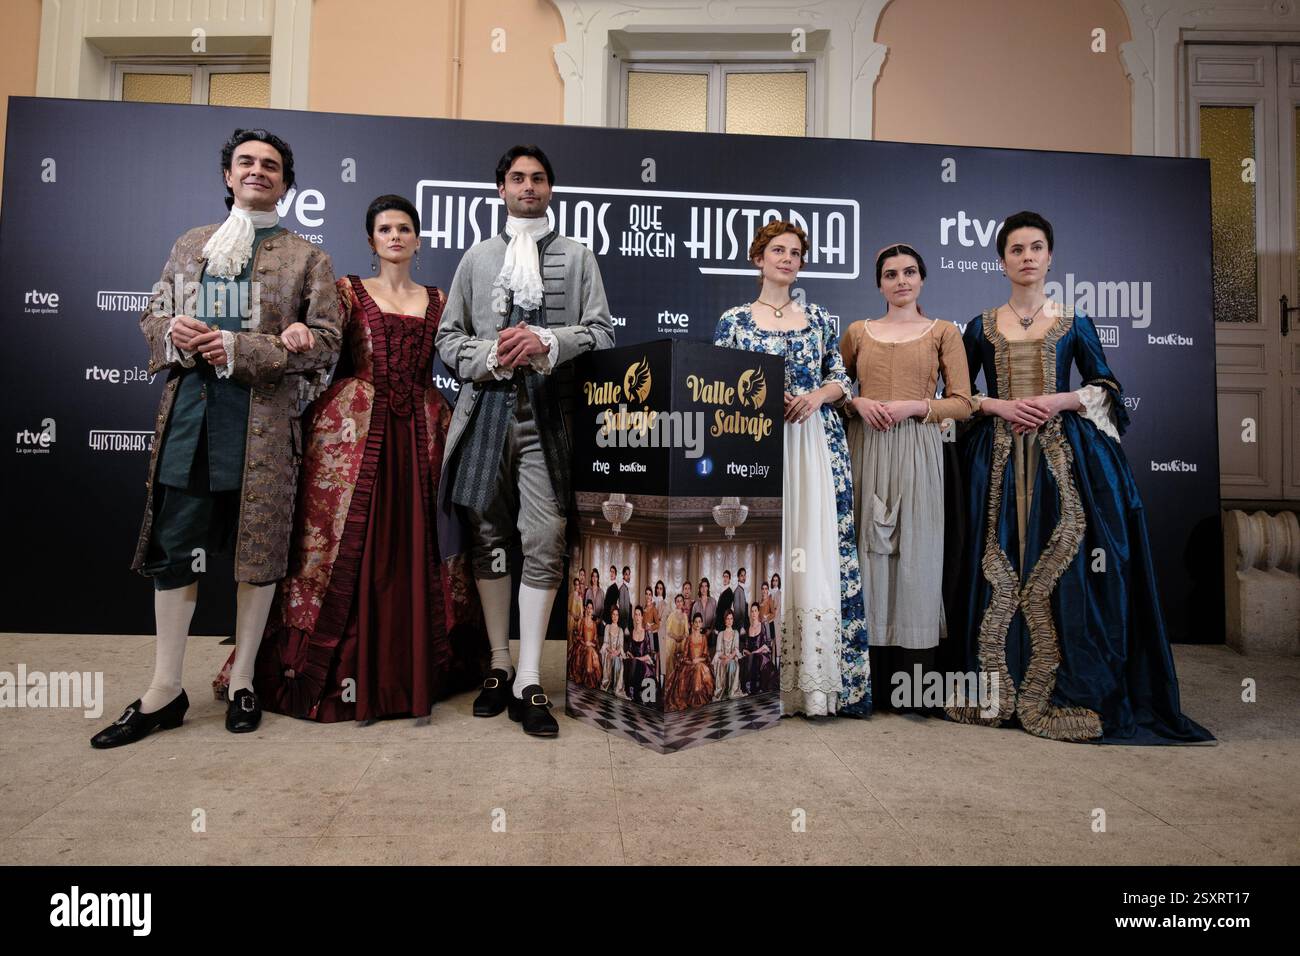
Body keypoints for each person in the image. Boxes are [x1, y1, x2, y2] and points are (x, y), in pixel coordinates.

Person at [93, 128, 343, 748]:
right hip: (190, 417)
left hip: (262, 425)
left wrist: (241, 347)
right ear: (228, 175)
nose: (257, 171)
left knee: (258, 555)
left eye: (271, 165)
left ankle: (244, 680)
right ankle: (164, 688)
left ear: (286, 183)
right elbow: (153, 311)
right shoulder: (192, 245)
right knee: (176, 548)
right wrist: (172, 332)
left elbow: (328, 346)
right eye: (246, 163)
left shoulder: (307, 258)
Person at [209, 193, 487, 721]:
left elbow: (458, 351)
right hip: (354, 432)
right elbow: (321, 341)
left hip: (424, 432)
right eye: (385, 229)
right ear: (371, 239)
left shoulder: (439, 297)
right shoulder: (347, 291)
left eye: (404, 228)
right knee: (344, 547)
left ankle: (415, 670)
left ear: (419, 238)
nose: (396, 236)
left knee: (422, 545)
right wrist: (295, 332)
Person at [945, 211, 1212, 744]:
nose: (1026, 257)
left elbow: (1105, 386)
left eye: (1035, 247)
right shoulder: (978, 325)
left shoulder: (1074, 322)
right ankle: (994, 686)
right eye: (1016, 249)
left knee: (1059, 561)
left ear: (1049, 257)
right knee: (993, 558)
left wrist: (1054, 400)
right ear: (1001, 260)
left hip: (1059, 458)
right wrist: (997, 405)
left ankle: (1055, 687)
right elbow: (957, 394)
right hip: (995, 458)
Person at [435, 144, 615, 738]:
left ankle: (531, 675)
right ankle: (498, 662)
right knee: (488, 536)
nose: (528, 187)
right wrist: (489, 354)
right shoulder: (477, 258)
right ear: (501, 190)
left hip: (548, 415)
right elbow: (447, 338)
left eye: (538, 178)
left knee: (544, 534)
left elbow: (601, 333)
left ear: (551, 189)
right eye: (518, 178)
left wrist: (547, 342)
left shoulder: (578, 255)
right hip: (485, 409)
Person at [715, 221, 869, 717]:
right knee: (767, 547)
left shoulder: (822, 317)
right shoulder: (734, 320)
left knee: (813, 548)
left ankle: (813, 684)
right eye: (777, 250)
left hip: (816, 446)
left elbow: (842, 377)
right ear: (759, 258)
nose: (787, 258)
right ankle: (760, 681)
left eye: (796, 252)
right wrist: (758, 399)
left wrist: (815, 396)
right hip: (757, 447)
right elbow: (718, 385)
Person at [840, 242, 973, 711]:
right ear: (879, 283)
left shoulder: (944, 332)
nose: (901, 281)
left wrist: (918, 406)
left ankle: (913, 686)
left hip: (919, 449)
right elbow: (837, 390)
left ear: (922, 279)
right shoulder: (858, 332)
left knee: (916, 552)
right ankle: (864, 681)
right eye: (891, 274)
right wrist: (857, 402)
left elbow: (964, 401)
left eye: (909, 272)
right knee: (867, 549)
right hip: (867, 447)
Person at [664, 613, 715, 711]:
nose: (697, 624)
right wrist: (692, 661)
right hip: (690, 664)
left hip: (701, 663)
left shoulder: (704, 638)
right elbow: (684, 655)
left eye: (699, 622)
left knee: (700, 667)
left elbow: (706, 656)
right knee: (695, 668)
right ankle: (694, 698)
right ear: (692, 624)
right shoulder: (689, 638)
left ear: (702, 624)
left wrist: (698, 660)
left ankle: (698, 696)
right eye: (696, 622)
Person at [624, 605, 656, 702]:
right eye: (635, 614)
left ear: (642, 617)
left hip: (643, 663)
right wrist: (632, 658)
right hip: (633, 662)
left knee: (636, 663)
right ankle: (631, 690)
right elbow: (629, 652)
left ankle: (635, 691)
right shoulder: (631, 632)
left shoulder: (646, 633)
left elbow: (648, 655)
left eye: (639, 615)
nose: (637, 617)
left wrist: (637, 659)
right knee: (630, 663)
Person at [567, 600, 602, 689]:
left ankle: (589, 672)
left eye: (591, 608)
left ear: (593, 610)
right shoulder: (582, 621)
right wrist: (585, 643)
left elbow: (595, 639)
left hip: (591, 646)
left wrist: (591, 644)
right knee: (590, 651)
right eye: (588, 608)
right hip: (582, 645)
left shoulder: (594, 624)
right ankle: (588, 673)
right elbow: (578, 636)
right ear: (586, 608)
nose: (590, 610)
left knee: (592, 651)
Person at [712, 609, 743, 700]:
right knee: (722, 664)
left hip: (732, 658)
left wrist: (729, 658)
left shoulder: (735, 633)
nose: (729, 621)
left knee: (732, 664)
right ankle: (724, 690)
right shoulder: (721, 634)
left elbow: (736, 649)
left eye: (731, 619)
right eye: (727, 619)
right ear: (725, 620)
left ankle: (731, 691)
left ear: (733, 620)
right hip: (722, 658)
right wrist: (724, 658)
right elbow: (718, 651)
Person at [662, 593, 688, 689]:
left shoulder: (685, 616)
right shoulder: (672, 615)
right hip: (672, 641)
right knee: (670, 658)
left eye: (681, 601)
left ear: (683, 603)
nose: (679, 603)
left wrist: (681, 637)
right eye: (677, 601)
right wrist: (676, 637)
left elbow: (687, 632)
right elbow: (668, 631)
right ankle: (670, 685)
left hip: (681, 642)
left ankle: (681, 686)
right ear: (675, 603)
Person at [600, 605, 626, 698]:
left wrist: (617, 652)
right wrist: (611, 651)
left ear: (618, 617)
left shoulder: (620, 630)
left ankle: (616, 687)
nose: (615, 617)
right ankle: (608, 683)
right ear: (611, 616)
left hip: (617, 653)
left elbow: (621, 646)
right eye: (613, 615)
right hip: (609, 651)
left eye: (617, 615)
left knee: (618, 660)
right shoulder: (608, 627)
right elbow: (606, 643)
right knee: (611, 658)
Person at [692, 577, 717, 652]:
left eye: (706, 586)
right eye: (702, 586)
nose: (704, 588)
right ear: (699, 588)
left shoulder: (713, 602)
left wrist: (710, 630)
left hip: (711, 632)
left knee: (710, 655)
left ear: (708, 588)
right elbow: (692, 620)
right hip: (699, 632)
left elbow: (715, 618)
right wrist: (697, 633)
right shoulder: (696, 604)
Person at [732, 568, 750, 634]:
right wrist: (741, 627)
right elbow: (737, 612)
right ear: (738, 577)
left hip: (745, 622)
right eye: (741, 575)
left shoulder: (743, 589)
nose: (744, 577)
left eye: (744, 575)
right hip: (740, 626)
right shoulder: (737, 591)